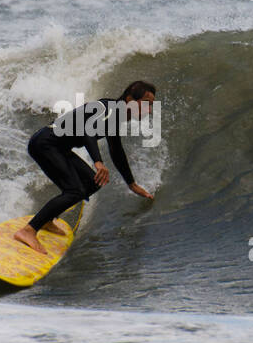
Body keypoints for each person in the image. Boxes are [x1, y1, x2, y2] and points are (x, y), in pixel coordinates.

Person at [14, 80, 156, 254]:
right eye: (146, 103)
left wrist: (131, 184)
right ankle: (28, 231)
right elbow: (87, 130)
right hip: (46, 143)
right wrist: (98, 161)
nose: (149, 109)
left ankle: (47, 220)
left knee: (93, 182)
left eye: (151, 105)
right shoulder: (108, 108)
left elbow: (116, 150)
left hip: (59, 147)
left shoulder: (115, 116)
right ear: (129, 99)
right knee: (74, 191)